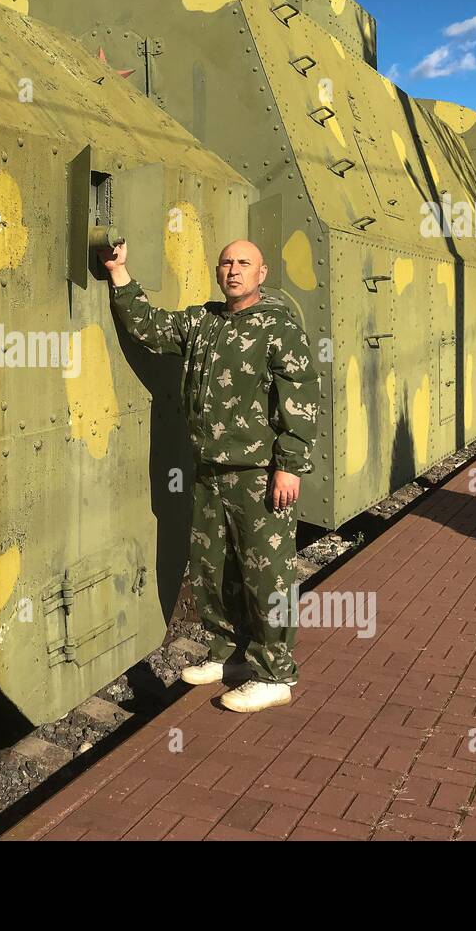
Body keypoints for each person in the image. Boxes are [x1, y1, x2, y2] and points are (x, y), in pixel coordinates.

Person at [102, 238, 319, 713]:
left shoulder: (279, 328)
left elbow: (301, 399)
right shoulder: (202, 321)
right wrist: (119, 274)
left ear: (261, 274)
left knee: (268, 575)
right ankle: (231, 655)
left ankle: (275, 673)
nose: (234, 270)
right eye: (226, 263)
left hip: (260, 474)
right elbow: (151, 329)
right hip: (210, 471)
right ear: (218, 273)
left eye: (244, 263)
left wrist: (290, 466)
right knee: (214, 570)